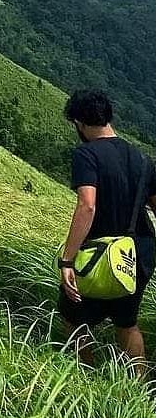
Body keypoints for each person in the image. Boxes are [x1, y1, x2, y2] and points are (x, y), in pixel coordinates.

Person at [58, 89, 156, 372]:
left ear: (79, 123)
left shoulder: (86, 154)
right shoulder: (142, 159)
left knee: (74, 317)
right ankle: (139, 386)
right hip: (138, 252)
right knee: (127, 322)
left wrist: (67, 260)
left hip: (100, 254)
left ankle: (85, 375)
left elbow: (87, 206)